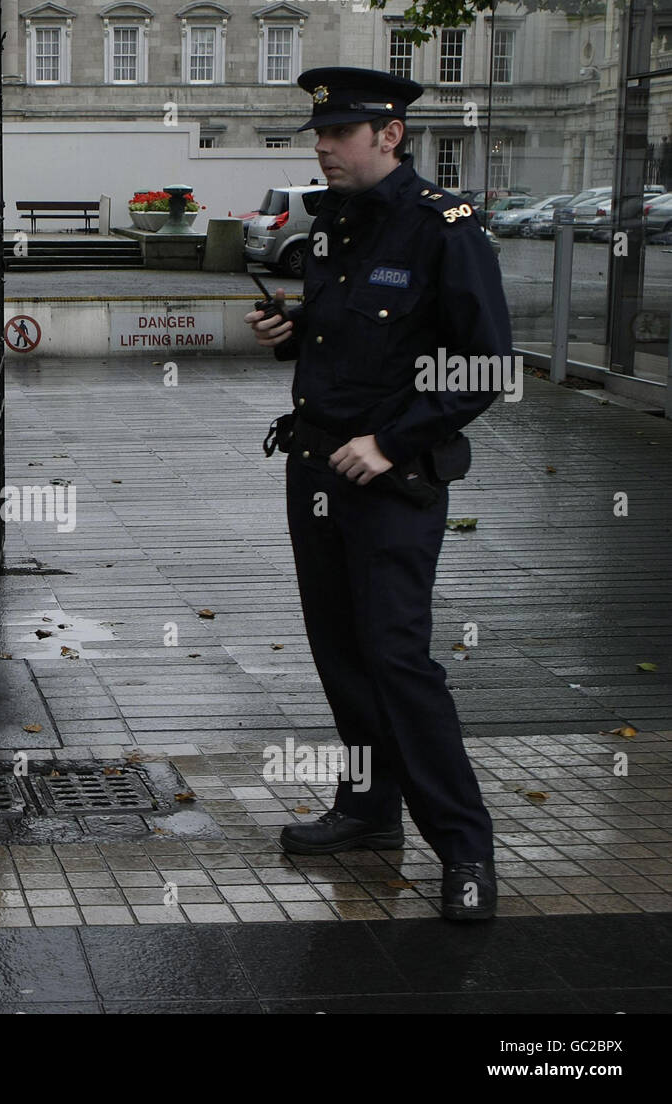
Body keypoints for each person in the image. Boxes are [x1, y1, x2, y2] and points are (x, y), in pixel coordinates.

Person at [244, 68, 512, 920]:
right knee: (342, 651)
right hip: (316, 471)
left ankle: (466, 848)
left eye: (339, 134)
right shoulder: (333, 229)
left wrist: (392, 440)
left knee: (399, 662)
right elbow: (348, 347)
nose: (323, 147)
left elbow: (487, 367)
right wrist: (291, 335)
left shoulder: (447, 228)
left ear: (389, 135)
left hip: (392, 483)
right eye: (319, 134)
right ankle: (368, 808)